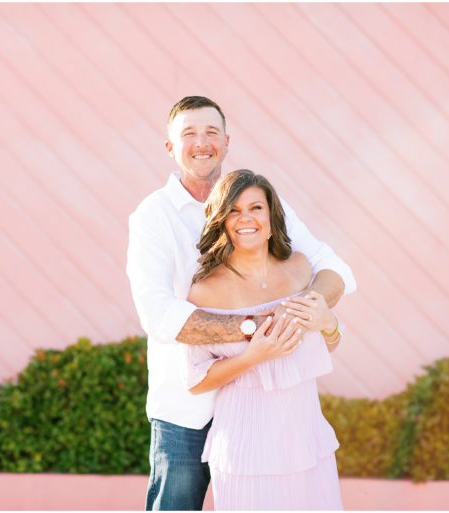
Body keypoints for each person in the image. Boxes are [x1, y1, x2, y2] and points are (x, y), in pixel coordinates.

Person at [126, 96, 355, 511]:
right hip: (188, 404)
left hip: (267, 407)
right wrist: (255, 331)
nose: (201, 143)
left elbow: (331, 267)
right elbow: (158, 314)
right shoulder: (151, 216)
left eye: (212, 132)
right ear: (169, 147)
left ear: (227, 142)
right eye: (189, 133)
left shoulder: (258, 202)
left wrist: (310, 314)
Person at [185, 169, 343, 510]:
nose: (246, 219)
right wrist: (252, 356)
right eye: (234, 210)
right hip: (246, 448)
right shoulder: (205, 291)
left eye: (256, 208)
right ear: (222, 221)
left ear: (272, 220)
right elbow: (196, 380)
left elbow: (326, 344)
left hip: (307, 439)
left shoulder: (301, 270)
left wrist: (328, 323)